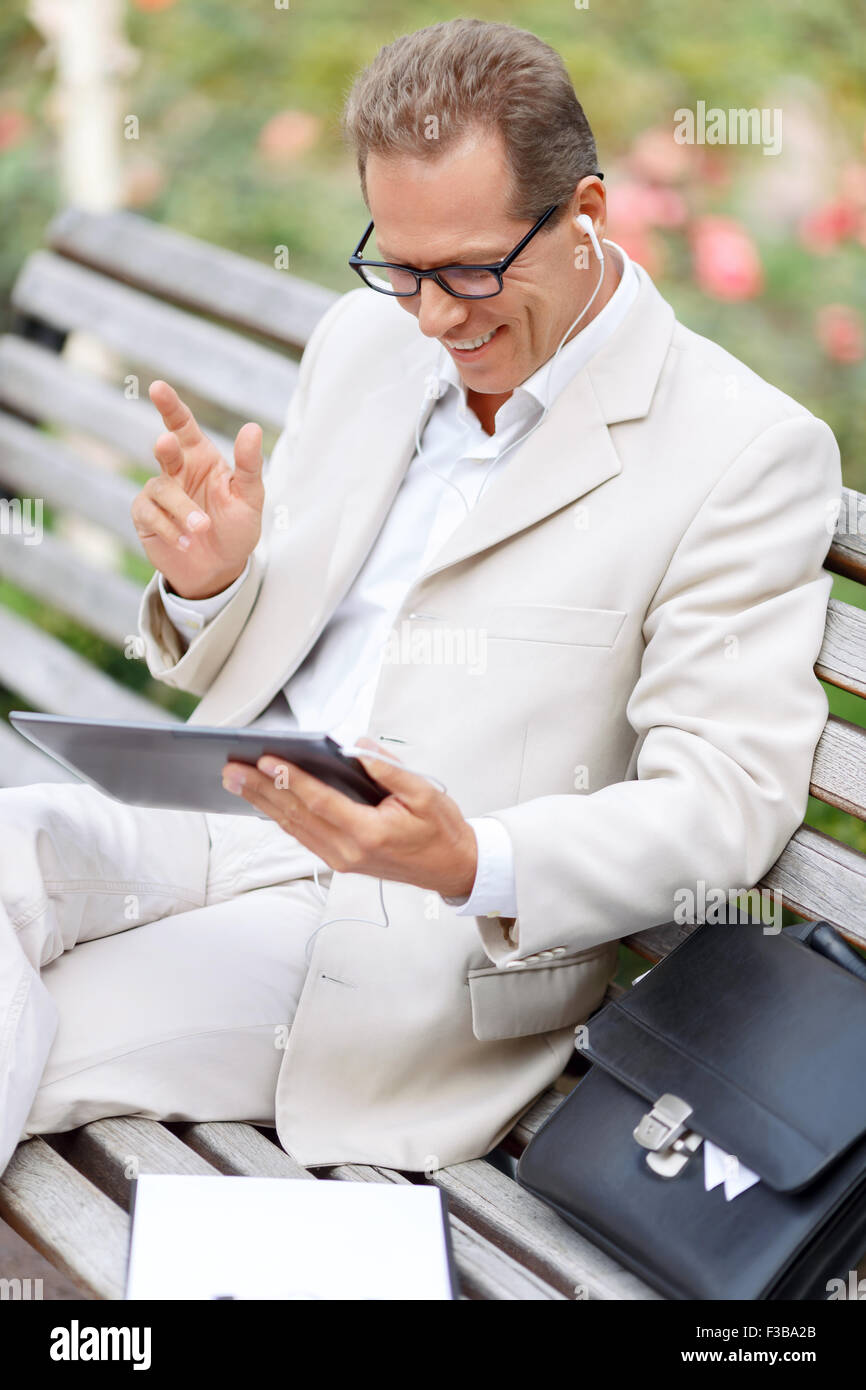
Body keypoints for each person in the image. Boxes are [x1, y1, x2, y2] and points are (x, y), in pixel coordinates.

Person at [0, 19, 842, 1177]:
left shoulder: (740, 450)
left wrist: (469, 856)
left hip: (399, 930)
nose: (435, 317)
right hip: (220, 799)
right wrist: (215, 578)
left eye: (471, 270)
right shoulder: (366, 337)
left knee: (39, 1033)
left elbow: (721, 803)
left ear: (586, 210)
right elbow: (256, 645)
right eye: (400, 268)